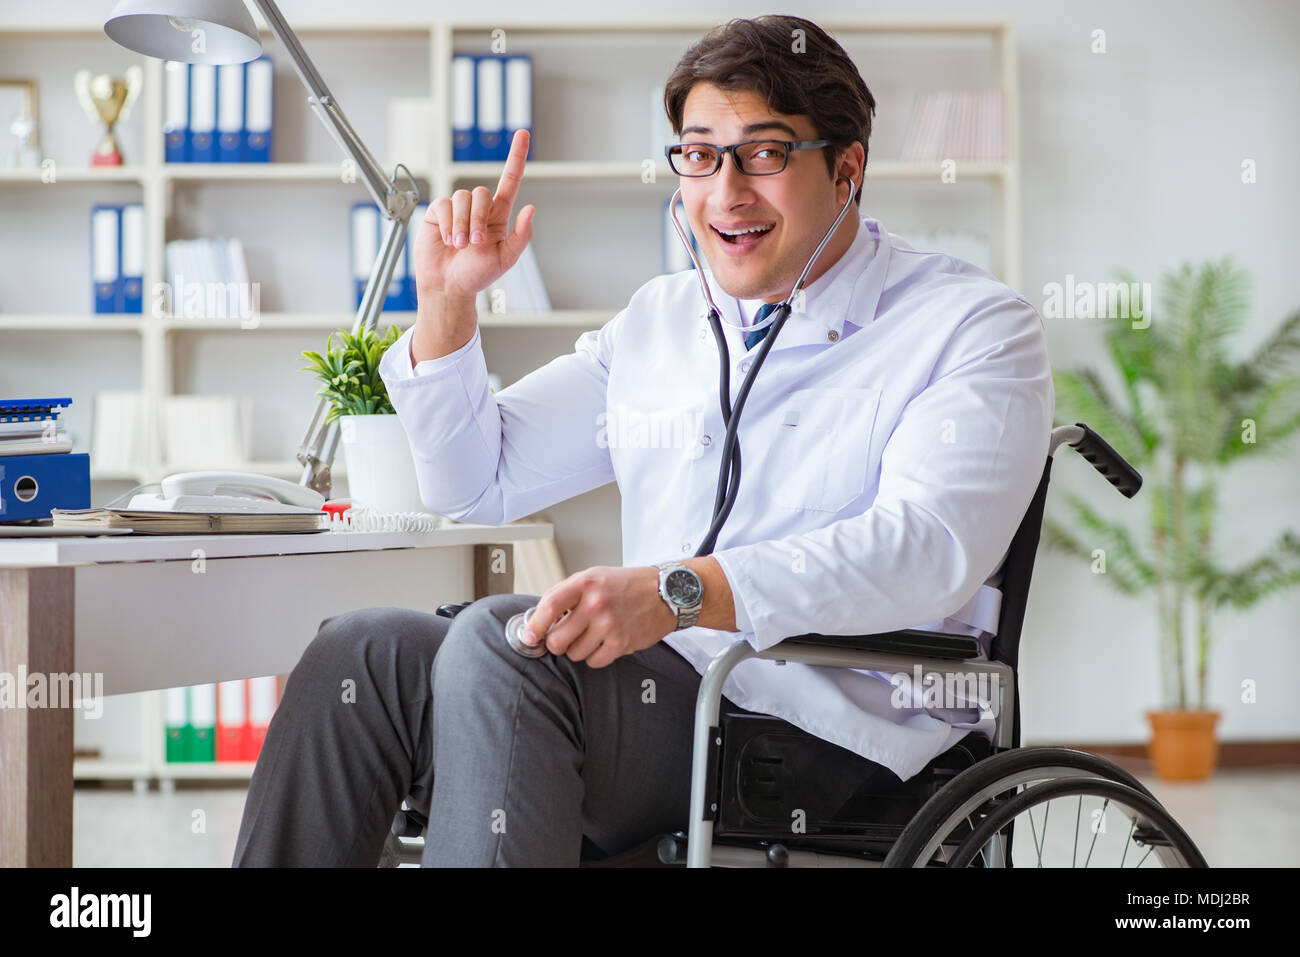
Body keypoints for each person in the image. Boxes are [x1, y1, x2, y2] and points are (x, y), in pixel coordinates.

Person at [233, 14, 1053, 868]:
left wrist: (680, 591)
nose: (726, 191)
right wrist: (447, 306)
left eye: (764, 153)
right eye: (700, 155)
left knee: (503, 642)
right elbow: (476, 486)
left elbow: (927, 549)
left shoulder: (972, 325)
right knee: (357, 653)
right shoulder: (661, 320)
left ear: (847, 170)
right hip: (662, 700)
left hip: (835, 733)